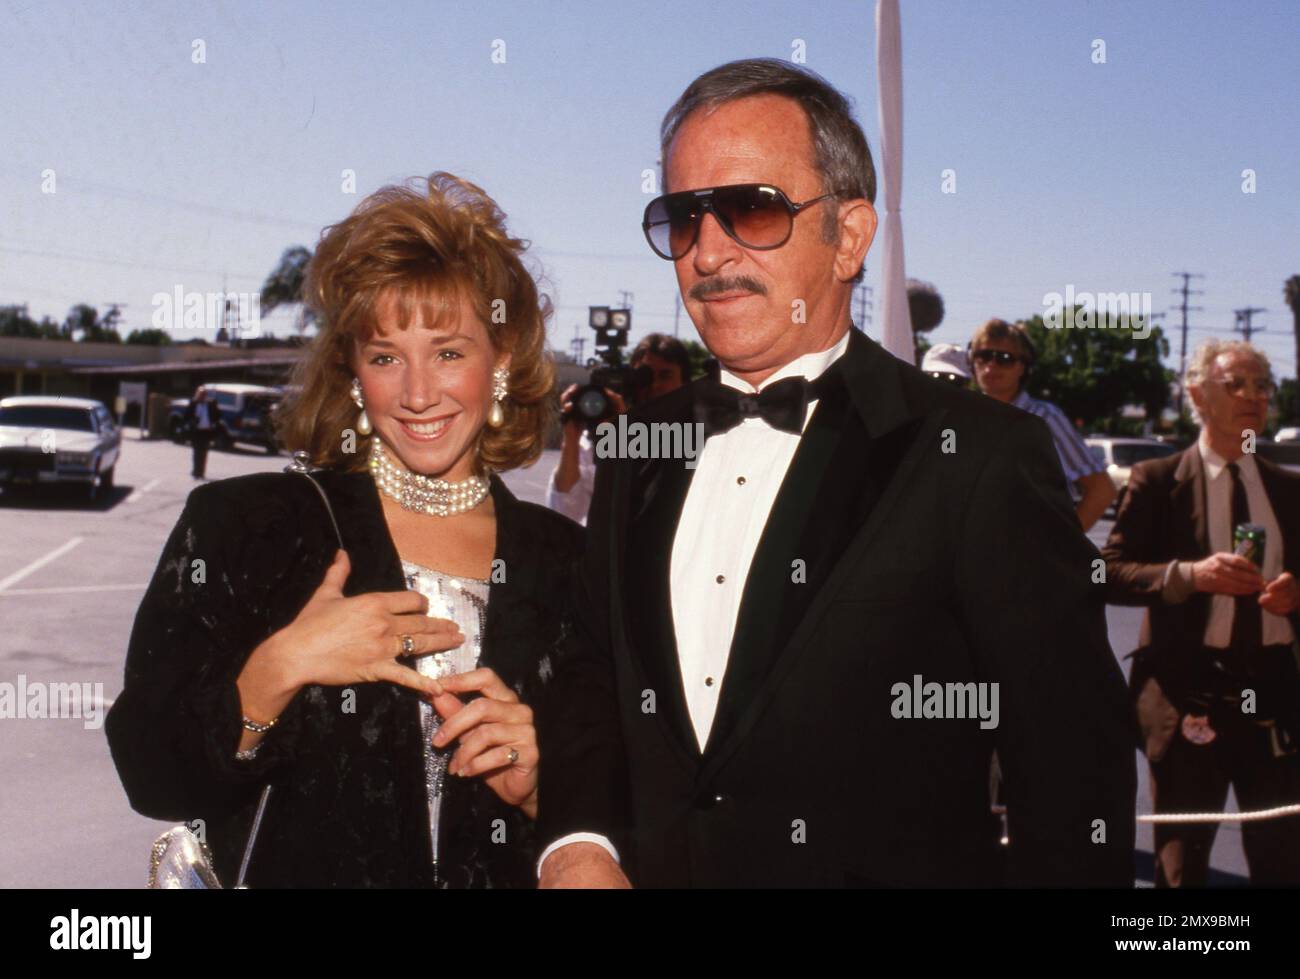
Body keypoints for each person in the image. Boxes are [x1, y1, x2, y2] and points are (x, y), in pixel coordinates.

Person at [536, 58, 1135, 888]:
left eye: (750, 208)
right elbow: (591, 675)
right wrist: (578, 847)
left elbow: (1071, 763)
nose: (708, 251)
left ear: (849, 236)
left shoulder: (976, 454)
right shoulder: (640, 446)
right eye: (683, 217)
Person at [106, 172, 582, 888]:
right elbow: (151, 771)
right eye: (385, 356)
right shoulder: (250, 526)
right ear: (355, 374)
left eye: (449, 351)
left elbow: (642, 804)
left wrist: (546, 784)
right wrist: (279, 667)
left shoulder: (569, 563)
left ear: (503, 359)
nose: (418, 392)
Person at [1101, 339, 1300, 887]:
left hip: (1275, 700)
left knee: (1283, 859)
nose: (1253, 396)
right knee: (1182, 871)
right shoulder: (1159, 481)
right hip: (1189, 696)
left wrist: (1295, 593)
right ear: (1196, 394)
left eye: (1262, 385)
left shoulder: (1289, 489)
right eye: (1235, 383)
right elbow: (1106, 572)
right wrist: (1187, 577)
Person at [969, 318, 1116, 531]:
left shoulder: (1044, 419)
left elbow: (1101, 490)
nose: (992, 365)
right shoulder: (965, 419)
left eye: (1005, 358)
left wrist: (1059, 549)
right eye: (983, 356)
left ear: (1022, 367)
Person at [547, 333, 690, 525]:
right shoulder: (601, 438)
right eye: (644, 377)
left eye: (665, 376)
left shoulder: (696, 437)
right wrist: (571, 439)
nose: (654, 385)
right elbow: (564, 513)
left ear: (685, 383)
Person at [184, 385, 216, 479]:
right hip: (196, 431)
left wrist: (213, 423)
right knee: (196, 452)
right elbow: (186, 416)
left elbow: (217, 415)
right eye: (200, 394)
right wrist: (192, 421)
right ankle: (196, 471)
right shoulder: (193, 404)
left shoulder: (210, 404)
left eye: (204, 395)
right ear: (197, 395)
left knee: (204, 452)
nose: (202, 396)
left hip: (206, 431)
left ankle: (201, 472)